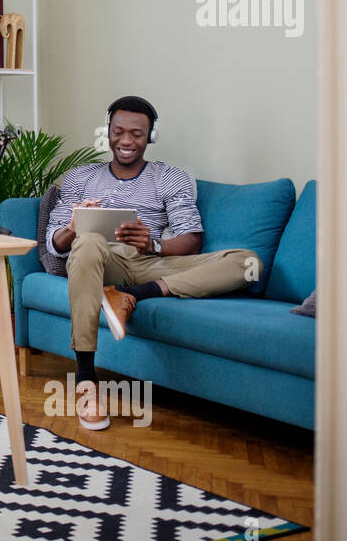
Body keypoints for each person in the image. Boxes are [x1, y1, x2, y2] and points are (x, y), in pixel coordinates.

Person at [46, 96, 259, 430]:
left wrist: (154, 244)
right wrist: (73, 227)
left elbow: (191, 239)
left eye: (137, 133)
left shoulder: (170, 177)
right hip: (99, 260)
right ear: (107, 132)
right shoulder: (79, 178)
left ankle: (133, 294)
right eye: (118, 132)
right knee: (88, 241)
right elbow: (55, 244)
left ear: (150, 137)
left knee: (247, 262)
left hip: (149, 263)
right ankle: (86, 380)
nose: (127, 141)